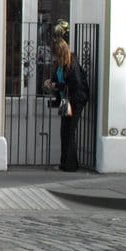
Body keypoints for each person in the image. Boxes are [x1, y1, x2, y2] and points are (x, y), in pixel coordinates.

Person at [44, 22, 90, 172]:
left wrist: (57, 87)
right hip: (65, 101)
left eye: (55, 53)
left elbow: (75, 86)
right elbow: (58, 81)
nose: (54, 57)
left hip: (75, 101)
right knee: (64, 131)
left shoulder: (72, 64)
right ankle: (66, 163)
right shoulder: (59, 65)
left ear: (60, 52)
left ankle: (69, 166)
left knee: (70, 132)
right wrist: (51, 82)